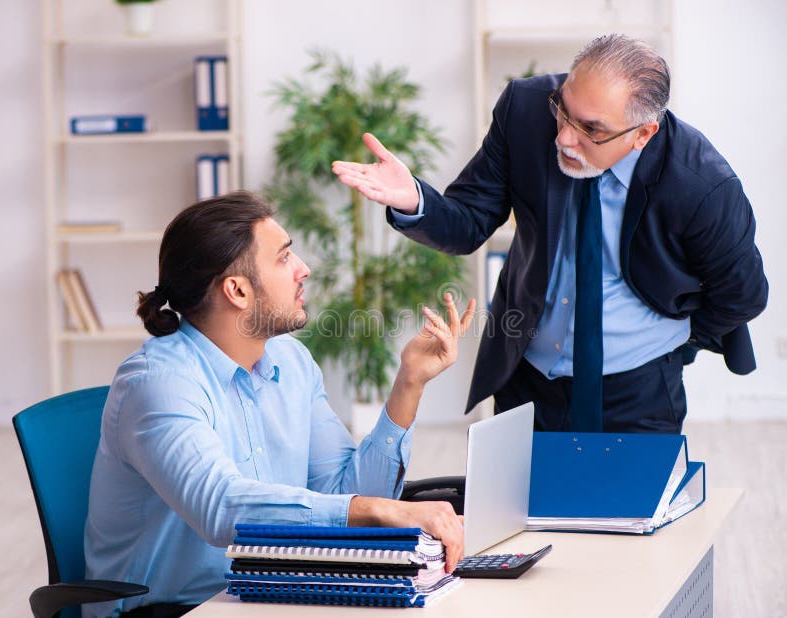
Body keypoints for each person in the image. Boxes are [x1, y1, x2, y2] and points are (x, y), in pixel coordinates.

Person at [332, 33, 768, 435]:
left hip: (638, 388)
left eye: (591, 129)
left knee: (624, 516)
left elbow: (742, 294)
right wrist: (413, 199)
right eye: (563, 109)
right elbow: (468, 221)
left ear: (643, 134)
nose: (563, 137)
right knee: (516, 516)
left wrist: (671, 345)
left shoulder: (700, 182)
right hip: (526, 377)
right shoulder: (524, 110)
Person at [83, 191, 475, 618]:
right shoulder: (157, 383)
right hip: (175, 609)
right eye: (284, 258)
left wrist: (409, 384)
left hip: (270, 591)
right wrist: (382, 510)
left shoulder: (290, 360)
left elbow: (350, 496)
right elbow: (221, 508)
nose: (303, 269)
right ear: (237, 290)